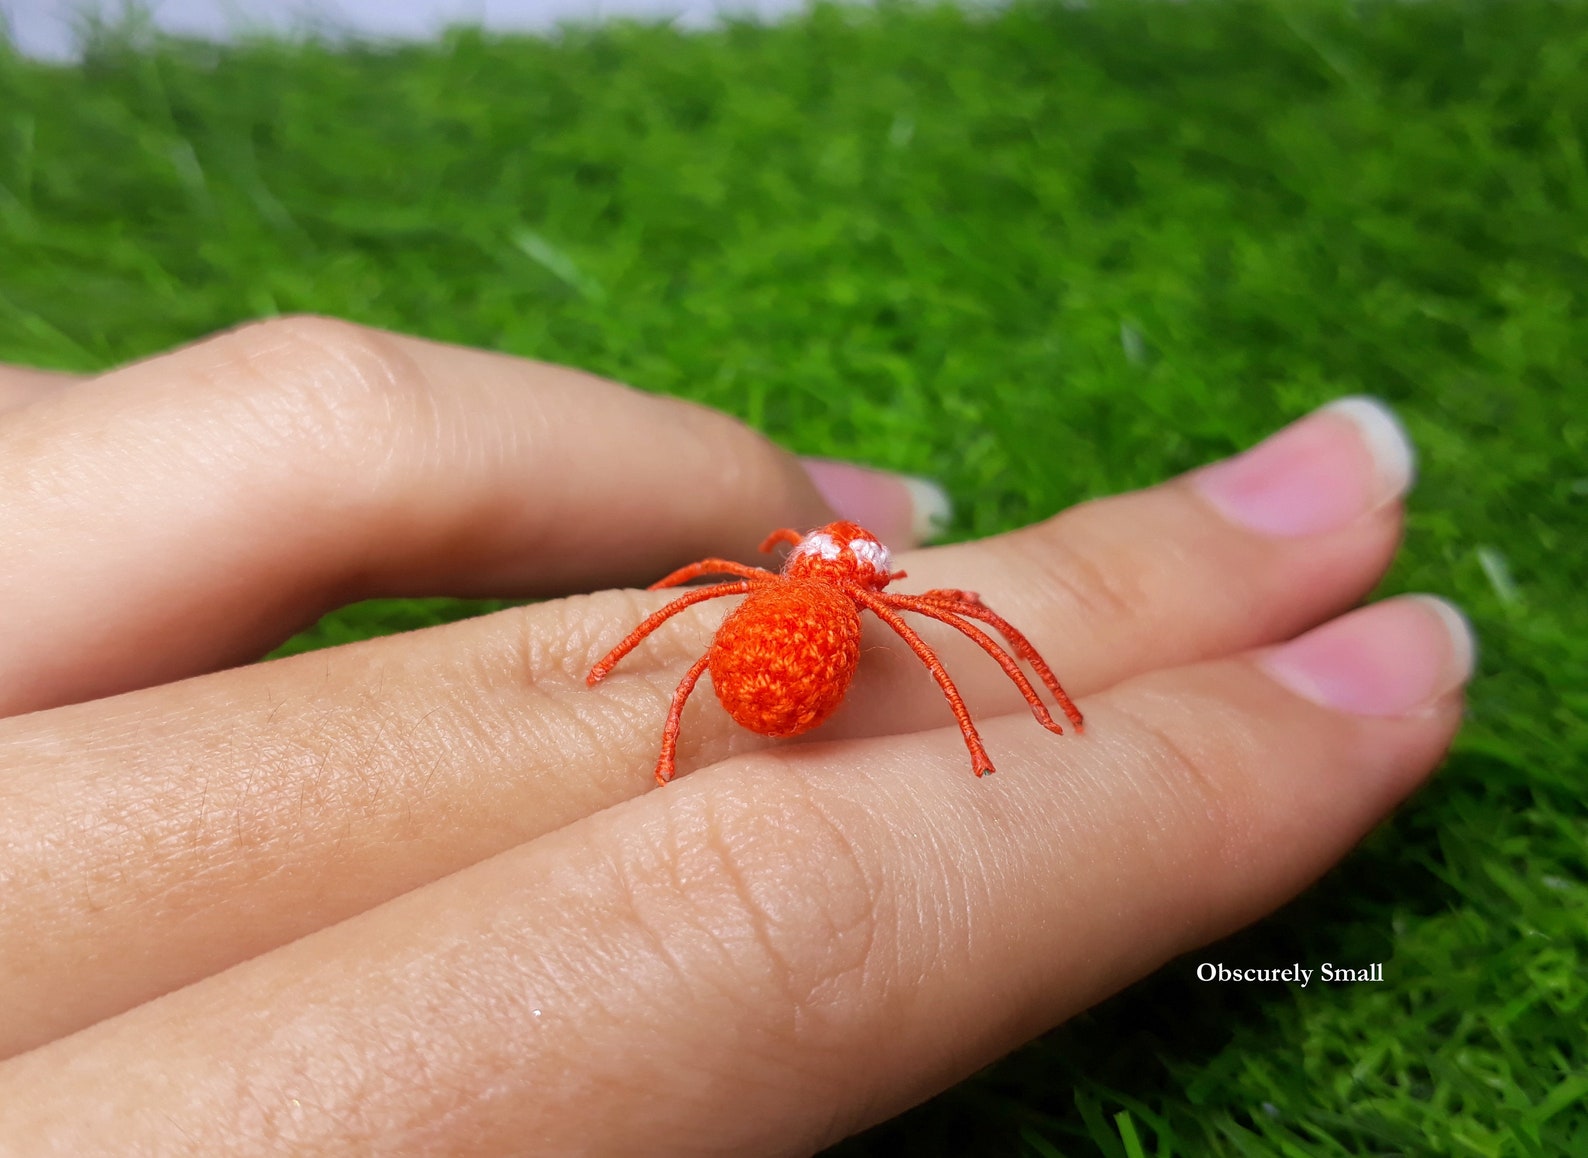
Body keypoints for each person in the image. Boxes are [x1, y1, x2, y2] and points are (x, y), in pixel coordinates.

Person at [0, 317, 1470, 1153]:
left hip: (753, 653)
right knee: (936, 657)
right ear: (835, 571)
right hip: (761, 662)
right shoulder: (852, 602)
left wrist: (658, 671)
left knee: (883, 653)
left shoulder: (761, 585)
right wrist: (974, 720)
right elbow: (958, 635)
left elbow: (759, 607)